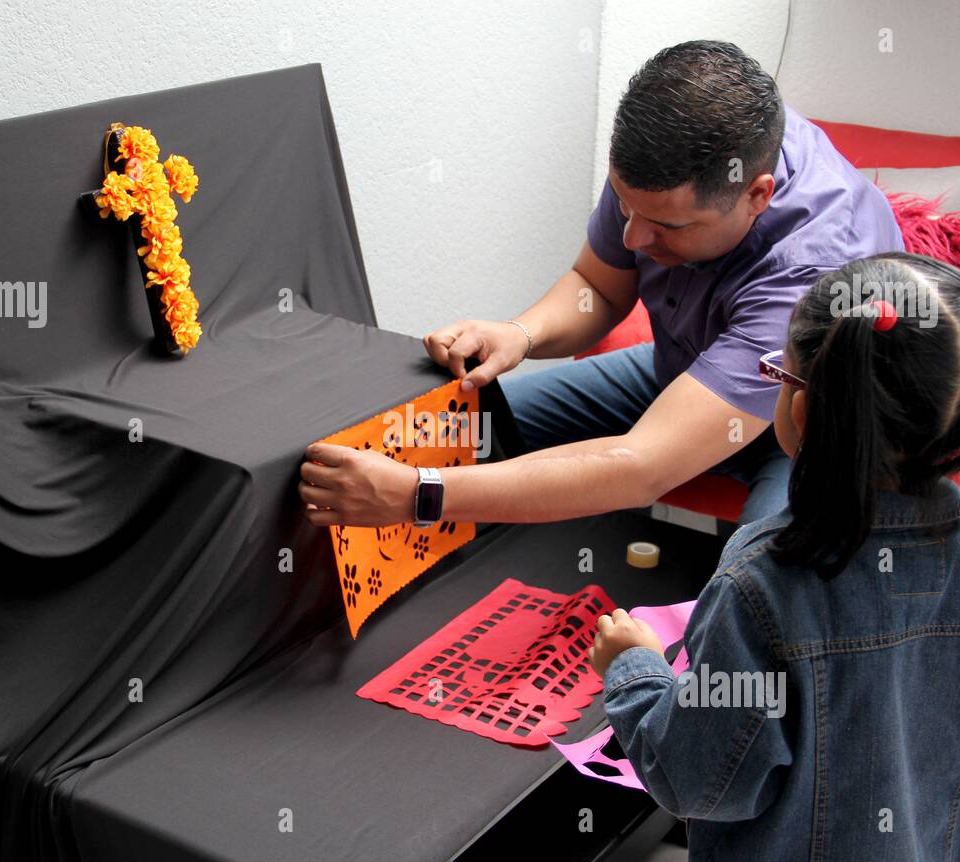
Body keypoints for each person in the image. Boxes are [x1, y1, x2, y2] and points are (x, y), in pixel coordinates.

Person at [589, 252, 960, 862]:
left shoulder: (760, 586)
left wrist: (636, 669)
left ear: (805, 408)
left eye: (778, 374)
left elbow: (695, 779)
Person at [300, 40, 902, 529]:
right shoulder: (682, 153)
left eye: (666, 226)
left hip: (809, 422)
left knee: (761, 587)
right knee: (452, 433)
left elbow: (641, 469)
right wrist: (520, 333)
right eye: (624, 204)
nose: (635, 238)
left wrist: (420, 496)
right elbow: (599, 284)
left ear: (756, 196)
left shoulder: (812, 270)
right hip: (688, 366)